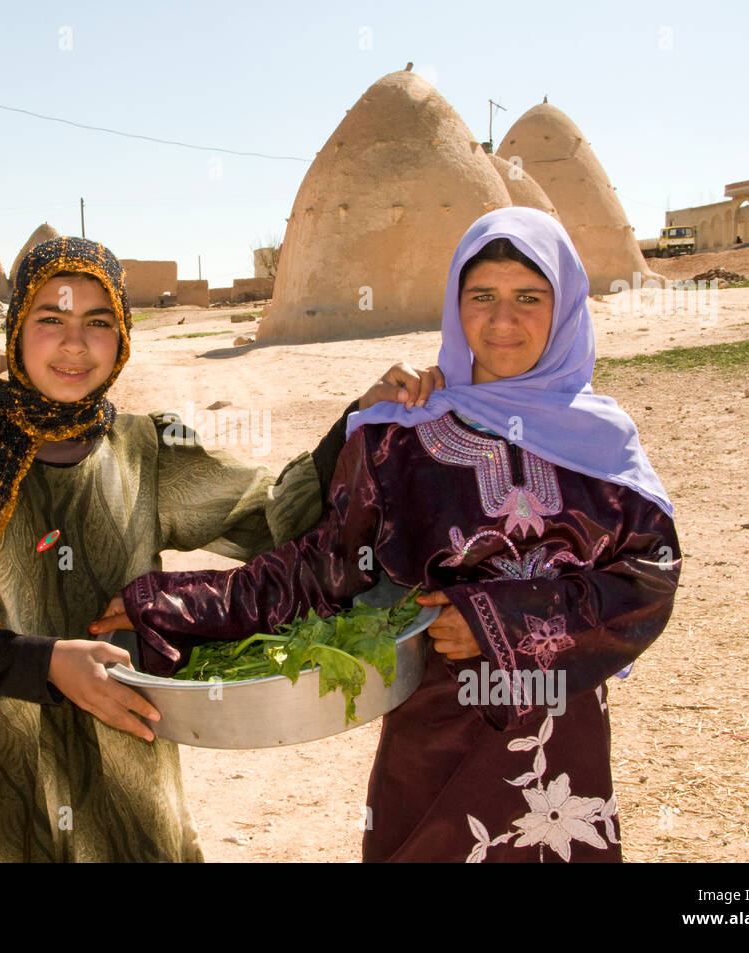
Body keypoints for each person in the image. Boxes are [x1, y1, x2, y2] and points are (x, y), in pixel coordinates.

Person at [103, 207, 681, 862]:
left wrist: (496, 620)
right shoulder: (402, 438)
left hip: (562, 751)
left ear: (567, 304)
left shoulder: (601, 441)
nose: (502, 321)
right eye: (481, 296)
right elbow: (319, 572)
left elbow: (647, 579)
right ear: (455, 304)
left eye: (529, 297)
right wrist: (171, 602)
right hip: (435, 743)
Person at [0, 235, 438, 862]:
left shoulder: (146, 448)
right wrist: (46, 665)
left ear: (121, 337)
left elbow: (276, 515)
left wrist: (355, 421)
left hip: (131, 766)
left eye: (98, 322)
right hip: (9, 777)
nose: (74, 344)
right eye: (51, 320)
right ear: (16, 327)